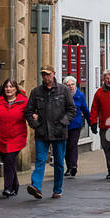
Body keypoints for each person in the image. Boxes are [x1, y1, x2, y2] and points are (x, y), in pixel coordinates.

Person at [23, 67, 76, 199]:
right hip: (42, 131)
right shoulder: (36, 92)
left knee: (58, 162)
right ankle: (36, 186)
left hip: (59, 132)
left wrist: (63, 122)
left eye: (48, 74)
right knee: (40, 160)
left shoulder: (63, 90)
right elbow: (28, 112)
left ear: (53, 74)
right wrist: (35, 124)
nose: (46, 77)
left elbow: (72, 110)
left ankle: (57, 189)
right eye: (43, 75)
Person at [0, 78, 28, 198]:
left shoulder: (23, 101)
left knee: (9, 160)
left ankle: (7, 187)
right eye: (6, 87)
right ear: (3, 89)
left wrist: (35, 117)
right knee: (8, 162)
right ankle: (15, 185)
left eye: (11, 86)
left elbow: (30, 114)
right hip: (0, 138)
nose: (8, 89)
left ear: (15, 89)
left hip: (17, 137)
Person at [62, 75, 91, 177]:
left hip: (75, 124)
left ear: (75, 84)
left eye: (72, 84)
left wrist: (91, 122)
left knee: (72, 145)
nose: (70, 86)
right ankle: (69, 166)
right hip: (64, 125)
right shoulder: (62, 95)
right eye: (68, 85)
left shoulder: (80, 95)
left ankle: (72, 166)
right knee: (65, 146)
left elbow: (85, 109)